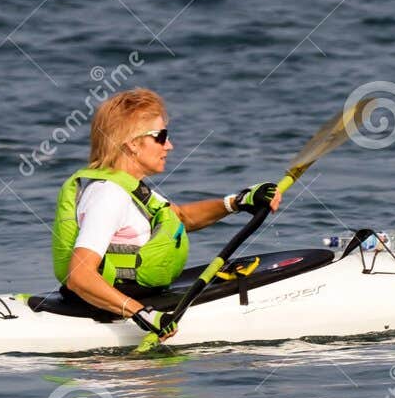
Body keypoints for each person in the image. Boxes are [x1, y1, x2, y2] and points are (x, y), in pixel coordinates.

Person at [51, 89, 282, 340]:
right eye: (161, 137)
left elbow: (181, 217)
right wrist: (142, 315)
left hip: (142, 300)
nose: (169, 146)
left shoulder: (129, 188)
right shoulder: (109, 195)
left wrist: (238, 201)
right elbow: (79, 275)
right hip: (116, 315)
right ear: (132, 144)